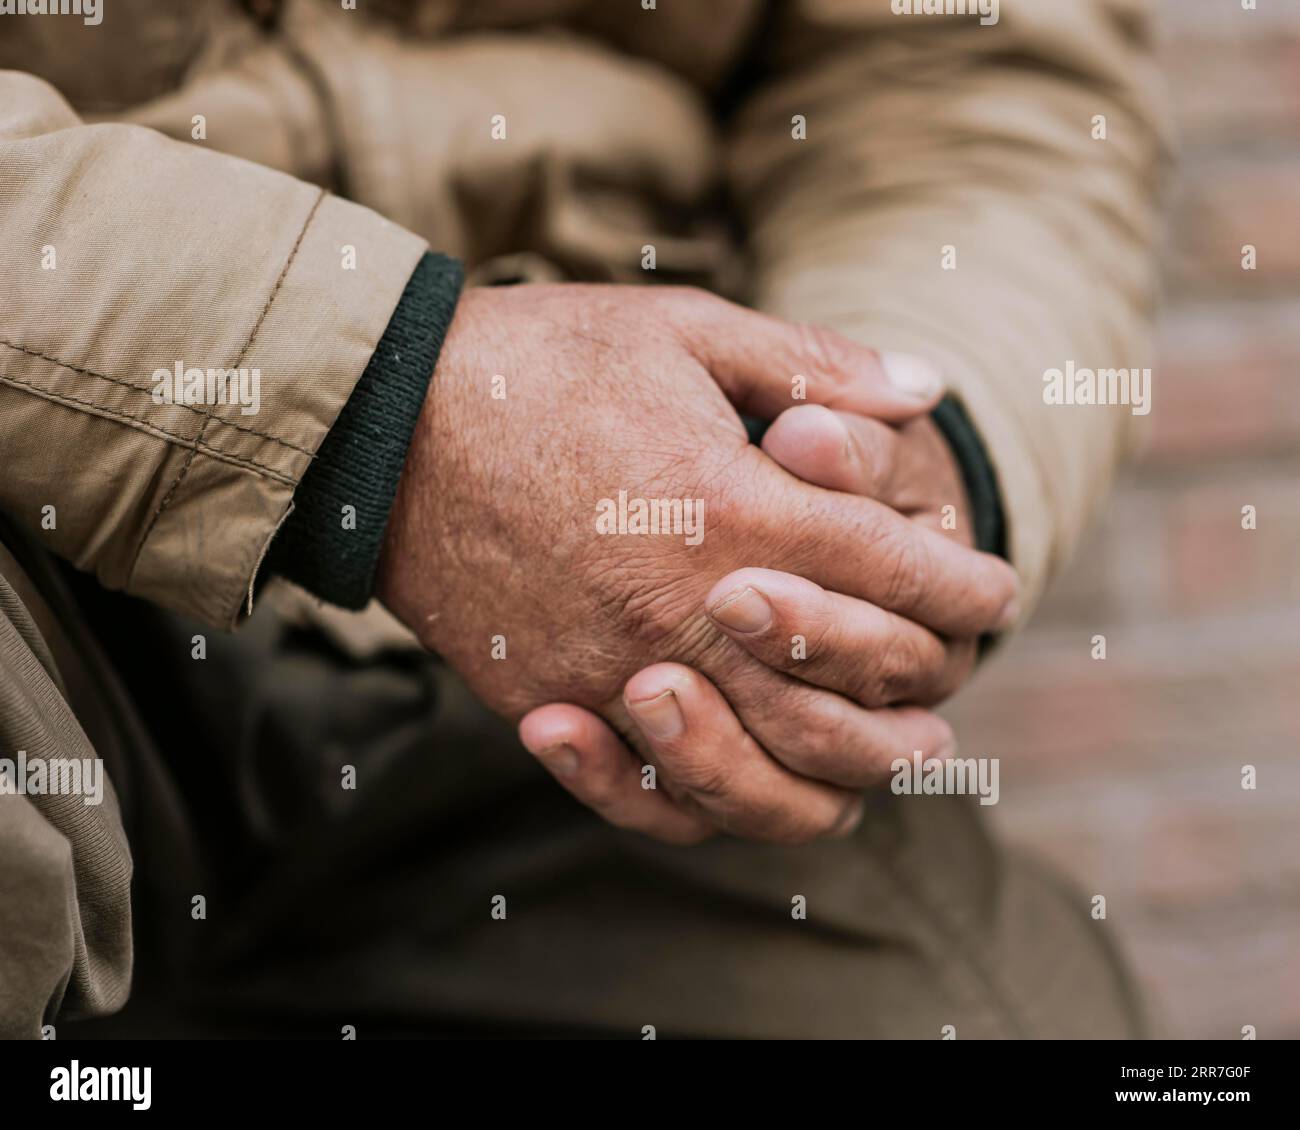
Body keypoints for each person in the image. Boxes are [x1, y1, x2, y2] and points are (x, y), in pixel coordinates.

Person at [0, 0, 1164, 1038]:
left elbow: (970, 73)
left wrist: (898, 451)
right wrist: (382, 408)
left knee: (1000, 1011)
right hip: (43, 556)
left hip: (603, 629)